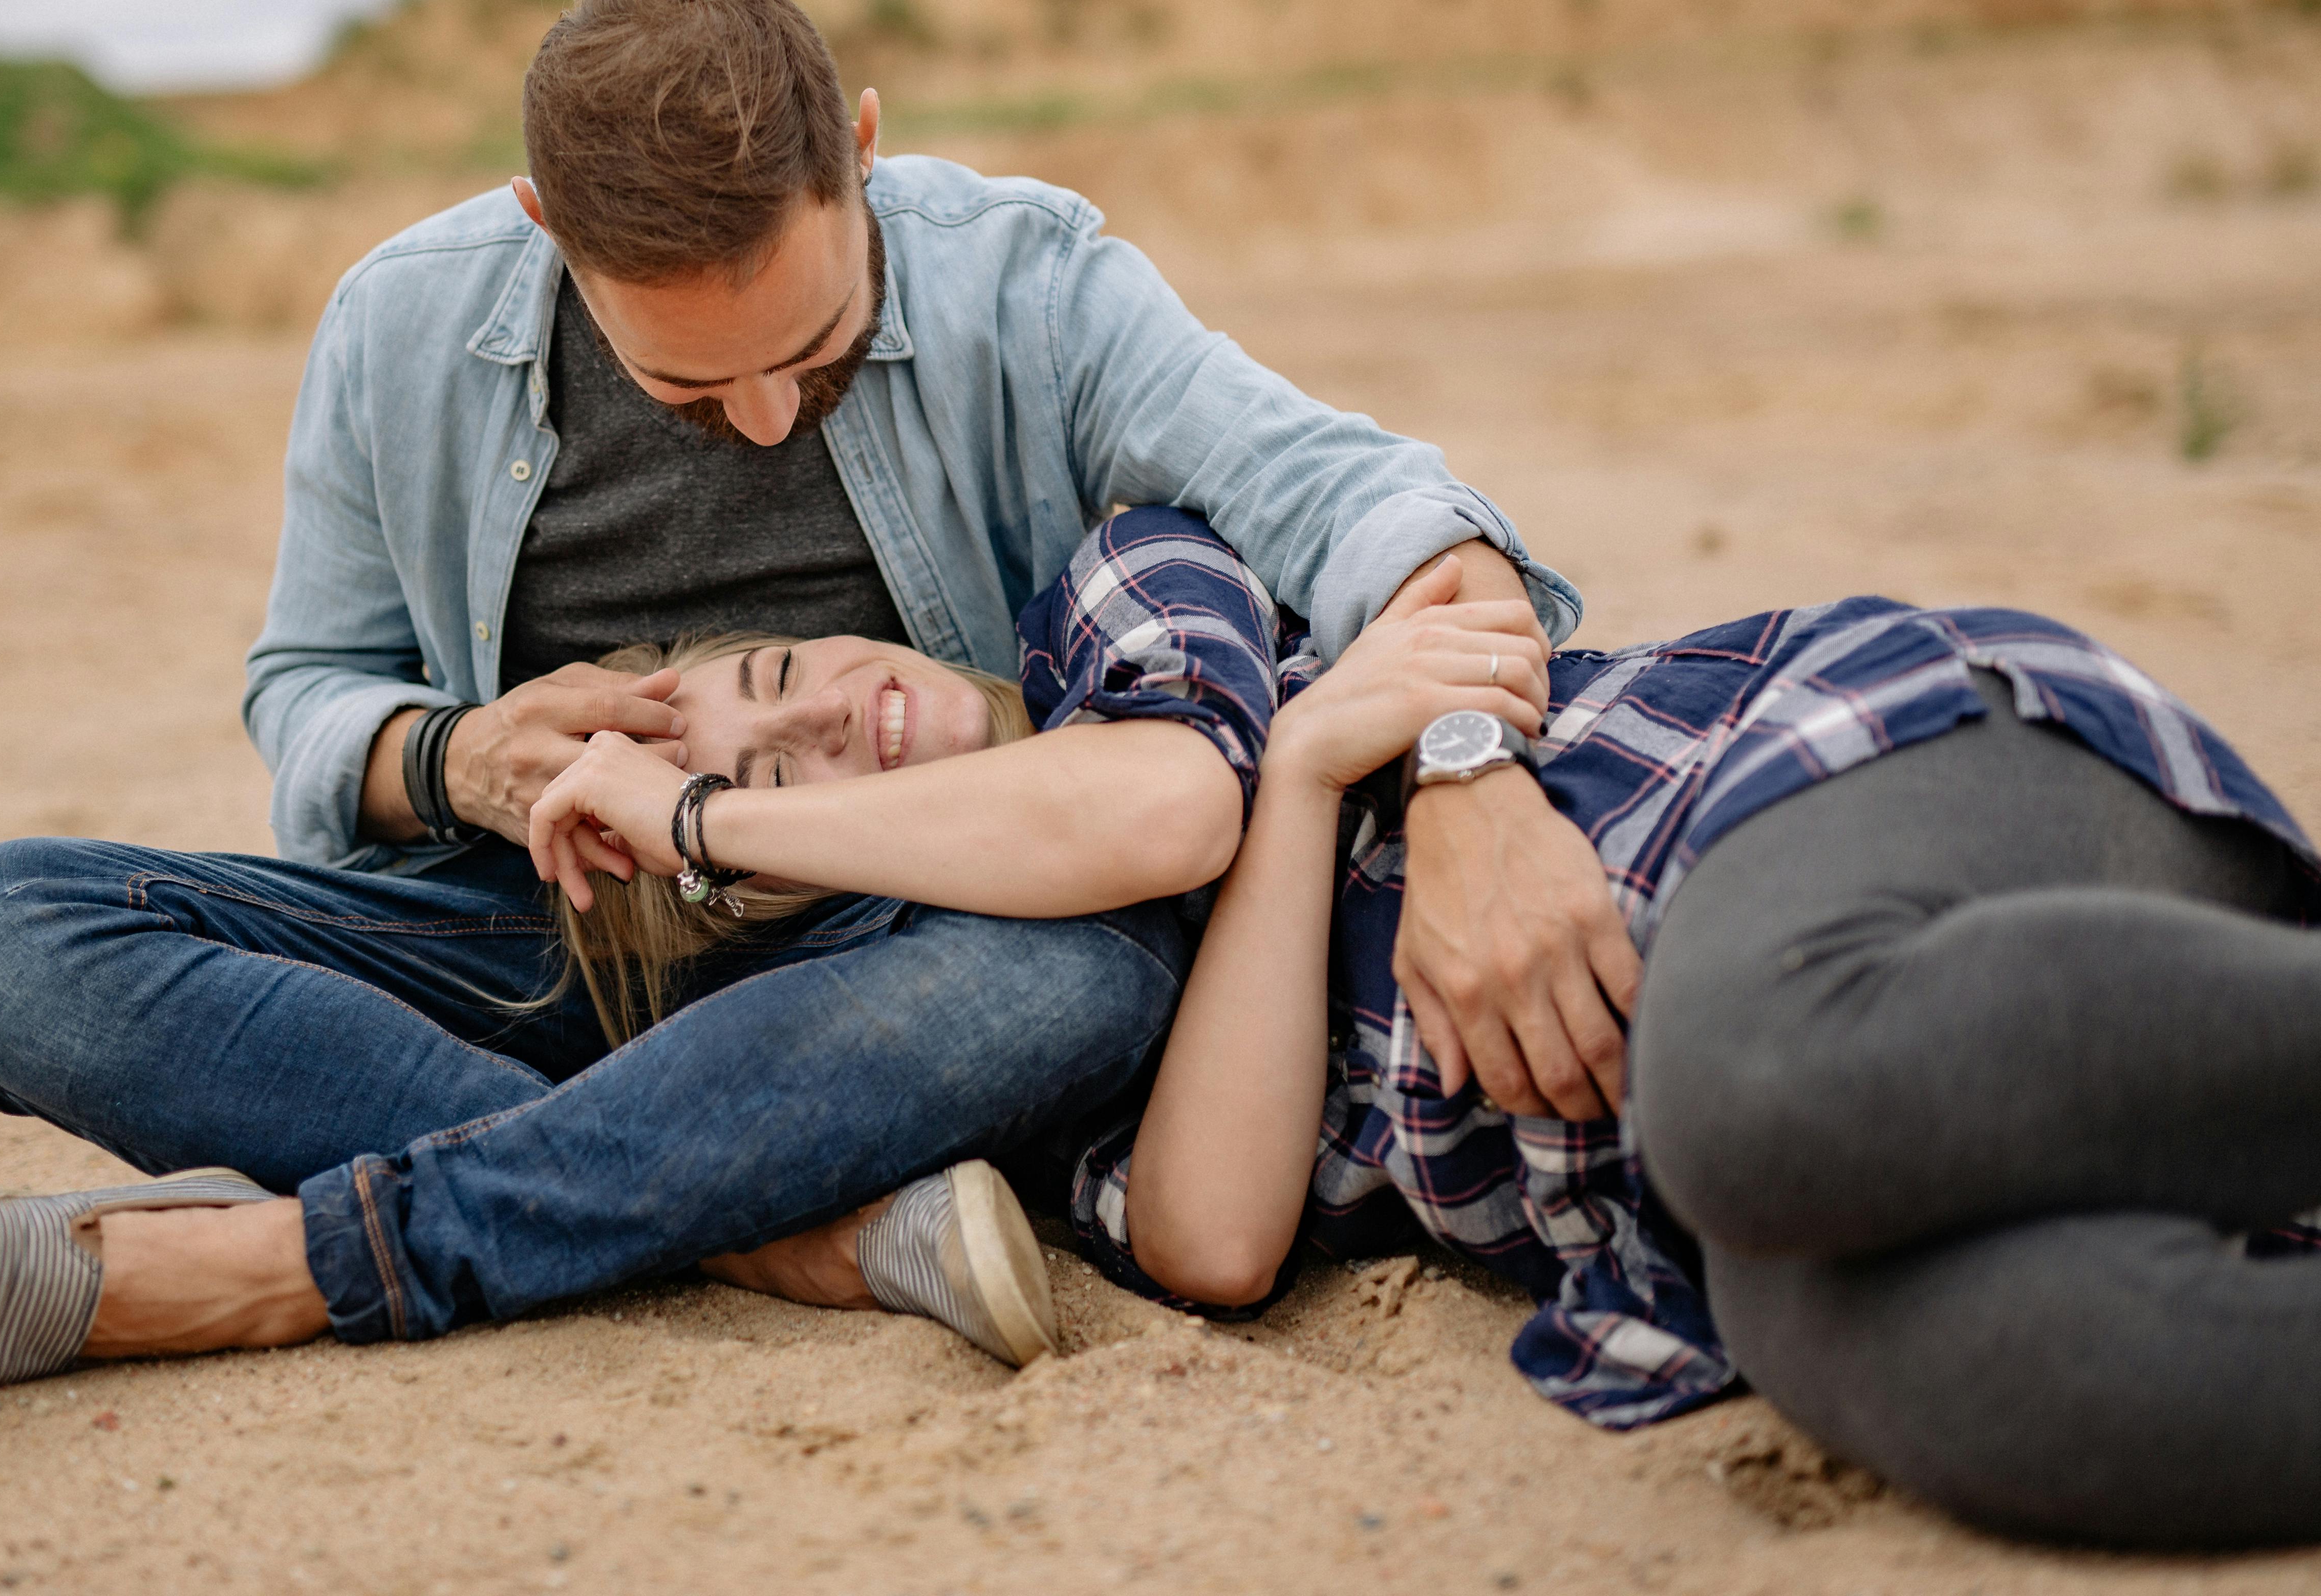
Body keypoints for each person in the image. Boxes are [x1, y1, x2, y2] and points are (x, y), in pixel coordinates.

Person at [0, 0, 1597, 1394]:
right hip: (552, 931)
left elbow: (1360, 497)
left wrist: (1466, 771)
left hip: (913, 944)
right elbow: (308, 685)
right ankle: (787, 1228)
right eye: (697, 392)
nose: (764, 416)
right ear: (549, 226)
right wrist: (457, 765)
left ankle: (321, 1257)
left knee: (1094, 969)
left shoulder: (1031, 281)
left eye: (817, 355)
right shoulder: (397, 327)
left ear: (865, 145)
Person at [505, 508, 2321, 1550]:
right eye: (773, 786)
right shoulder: (1041, 1061)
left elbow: (1163, 814)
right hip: (1727, 1193)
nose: (830, 726)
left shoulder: (1112, 602)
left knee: (1755, 1087)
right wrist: (1311, 776)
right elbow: (1215, 1243)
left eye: (775, 681)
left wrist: (701, 819)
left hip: (1818, 797)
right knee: (1936, 1368)